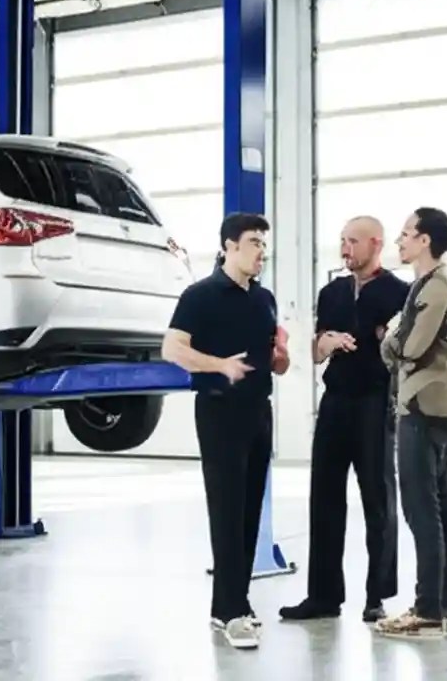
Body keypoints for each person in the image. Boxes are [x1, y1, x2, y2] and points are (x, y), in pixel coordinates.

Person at [161, 212, 289, 651]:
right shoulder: (200, 295)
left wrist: (281, 357)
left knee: (250, 511)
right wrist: (219, 366)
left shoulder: (265, 298)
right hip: (219, 413)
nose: (261, 252)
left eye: (264, 244)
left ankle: (231, 605)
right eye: (254, 242)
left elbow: (276, 362)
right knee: (227, 511)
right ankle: (233, 613)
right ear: (229, 246)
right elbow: (172, 348)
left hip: (259, 411)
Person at [279, 216, 409, 624]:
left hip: (375, 402)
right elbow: (315, 351)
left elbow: (407, 352)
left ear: (376, 244)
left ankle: (377, 595)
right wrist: (326, 341)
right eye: (342, 241)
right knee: (324, 497)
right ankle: (323, 596)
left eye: (353, 241)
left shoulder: (400, 293)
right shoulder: (331, 292)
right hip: (335, 401)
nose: (345, 248)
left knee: (378, 499)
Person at [374, 206, 447, 640]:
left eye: (406, 234)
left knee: (422, 510)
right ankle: (445, 604)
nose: (400, 241)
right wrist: (396, 337)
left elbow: (408, 347)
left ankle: (428, 611)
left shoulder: (434, 287)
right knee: (441, 508)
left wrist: (390, 339)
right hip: (433, 406)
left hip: (423, 409)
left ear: (425, 240)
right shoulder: (428, 285)